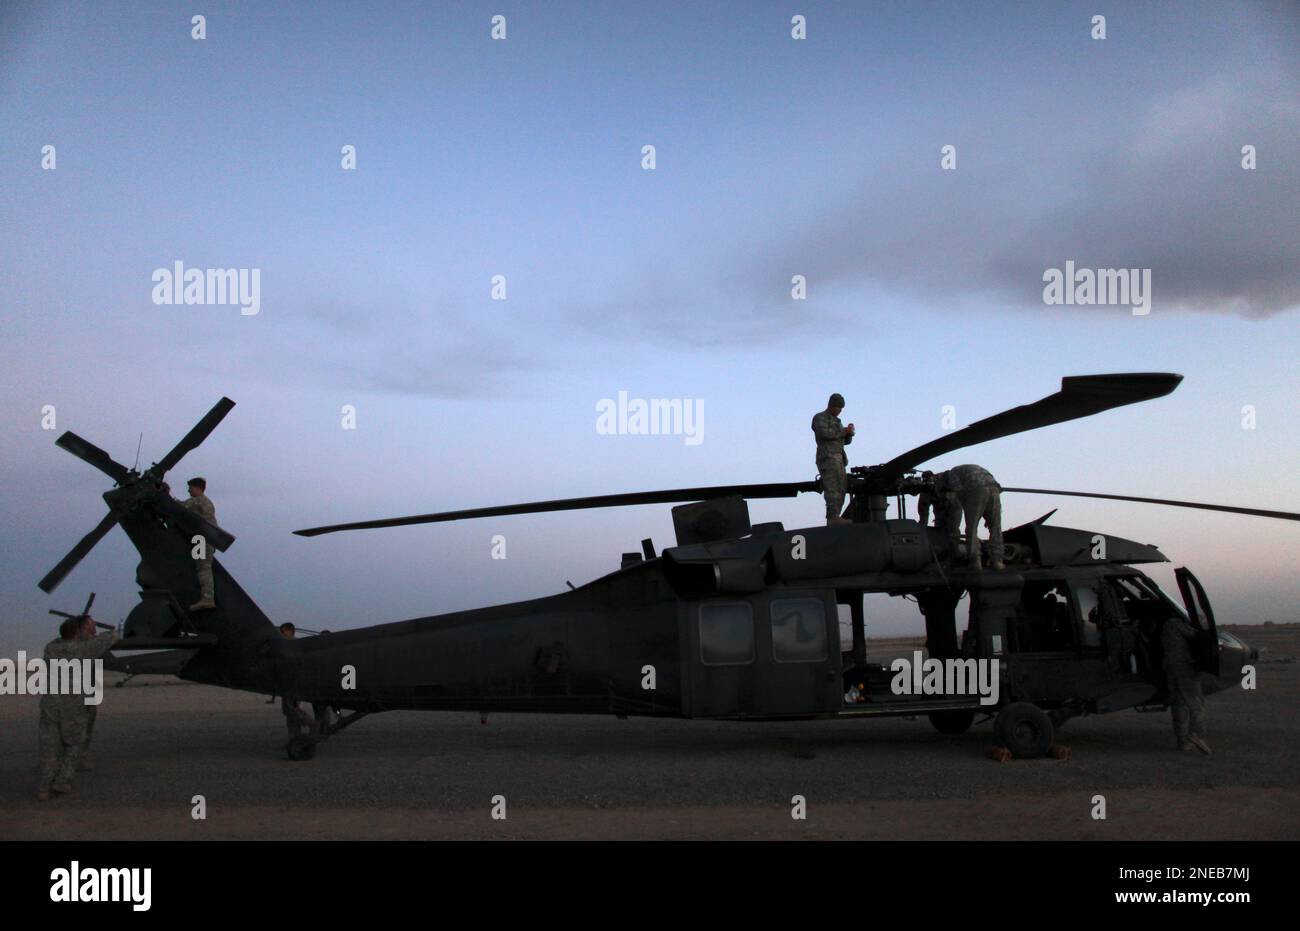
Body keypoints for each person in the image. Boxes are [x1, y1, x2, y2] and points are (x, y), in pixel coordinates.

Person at [37, 617, 117, 800]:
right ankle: (62, 781)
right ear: (78, 632)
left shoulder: (51, 647)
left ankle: (43, 788)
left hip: (50, 704)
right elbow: (109, 638)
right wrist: (114, 630)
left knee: (48, 747)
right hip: (73, 705)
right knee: (74, 743)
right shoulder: (83, 648)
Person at [932, 464, 1004, 570]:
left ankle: (975, 561)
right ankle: (998, 561)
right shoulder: (965, 469)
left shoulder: (952, 475)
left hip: (976, 488)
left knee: (972, 527)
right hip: (994, 488)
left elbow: (959, 495)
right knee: (995, 527)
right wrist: (987, 513)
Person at [1162, 615, 1210, 754]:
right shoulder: (1177, 624)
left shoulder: (1167, 626)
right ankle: (1197, 734)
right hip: (1185, 668)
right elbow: (1197, 635)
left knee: (1178, 703)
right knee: (1196, 703)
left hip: (1170, 667)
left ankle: (1182, 741)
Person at [811, 393, 855, 524]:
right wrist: (843, 431)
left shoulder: (837, 421)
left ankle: (836, 516)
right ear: (831, 405)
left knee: (841, 487)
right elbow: (824, 433)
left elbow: (843, 441)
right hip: (828, 458)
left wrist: (849, 434)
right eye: (838, 407)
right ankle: (832, 516)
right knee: (832, 487)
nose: (840, 411)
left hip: (839, 459)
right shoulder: (820, 418)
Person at [182, 477, 217, 611]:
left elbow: (179, 507)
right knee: (202, 567)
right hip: (204, 539)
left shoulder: (198, 501)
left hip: (202, 539)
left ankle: (207, 598)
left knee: (203, 568)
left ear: (197, 488)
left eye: (190, 488)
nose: (188, 490)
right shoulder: (204, 502)